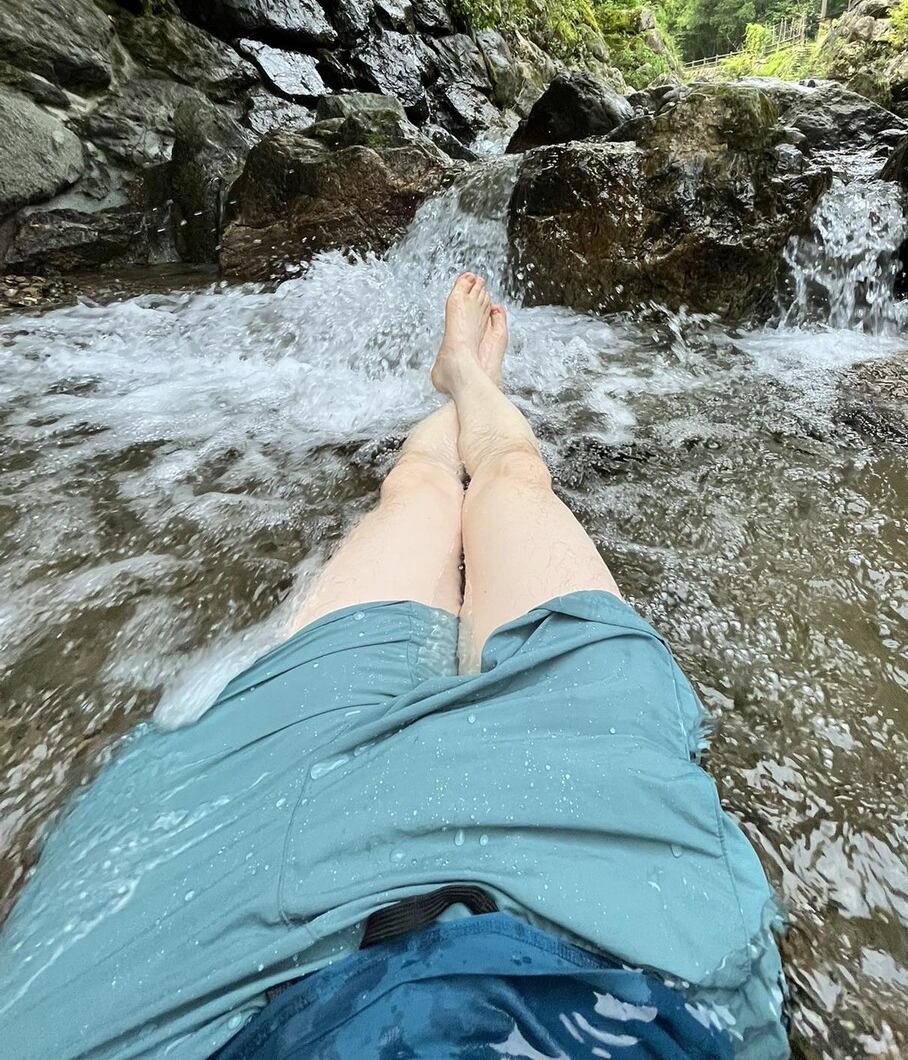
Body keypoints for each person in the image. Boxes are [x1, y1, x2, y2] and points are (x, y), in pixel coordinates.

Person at [0, 274, 789, 1060]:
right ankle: (471, 382)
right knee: (512, 477)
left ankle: (460, 383)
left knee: (415, 493)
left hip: (213, 938)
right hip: (630, 946)